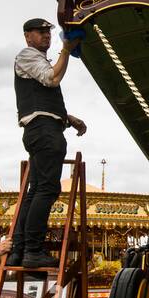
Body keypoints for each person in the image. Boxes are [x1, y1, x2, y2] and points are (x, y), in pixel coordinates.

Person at [9, 18, 87, 270]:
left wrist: (68, 118)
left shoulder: (35, 59)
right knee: (47, 190)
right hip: (44, 132)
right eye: (40, 32)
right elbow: (51, 79)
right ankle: (33, 250)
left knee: (36, 190)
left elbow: (43, 95)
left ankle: (19, 250)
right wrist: (66, 49)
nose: (46, 36)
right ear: (27, 36)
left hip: (42, 129)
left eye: (48, 32)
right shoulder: (27, 55)